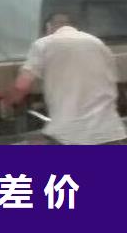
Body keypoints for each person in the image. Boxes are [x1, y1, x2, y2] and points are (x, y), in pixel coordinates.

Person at [8, 13, 127, 144]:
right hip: (110, 132)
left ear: (48, 27)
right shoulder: (98, 43)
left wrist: (8, 103)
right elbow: (114, 84)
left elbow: (21, 86)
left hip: (70, 135)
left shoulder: (44, 44)